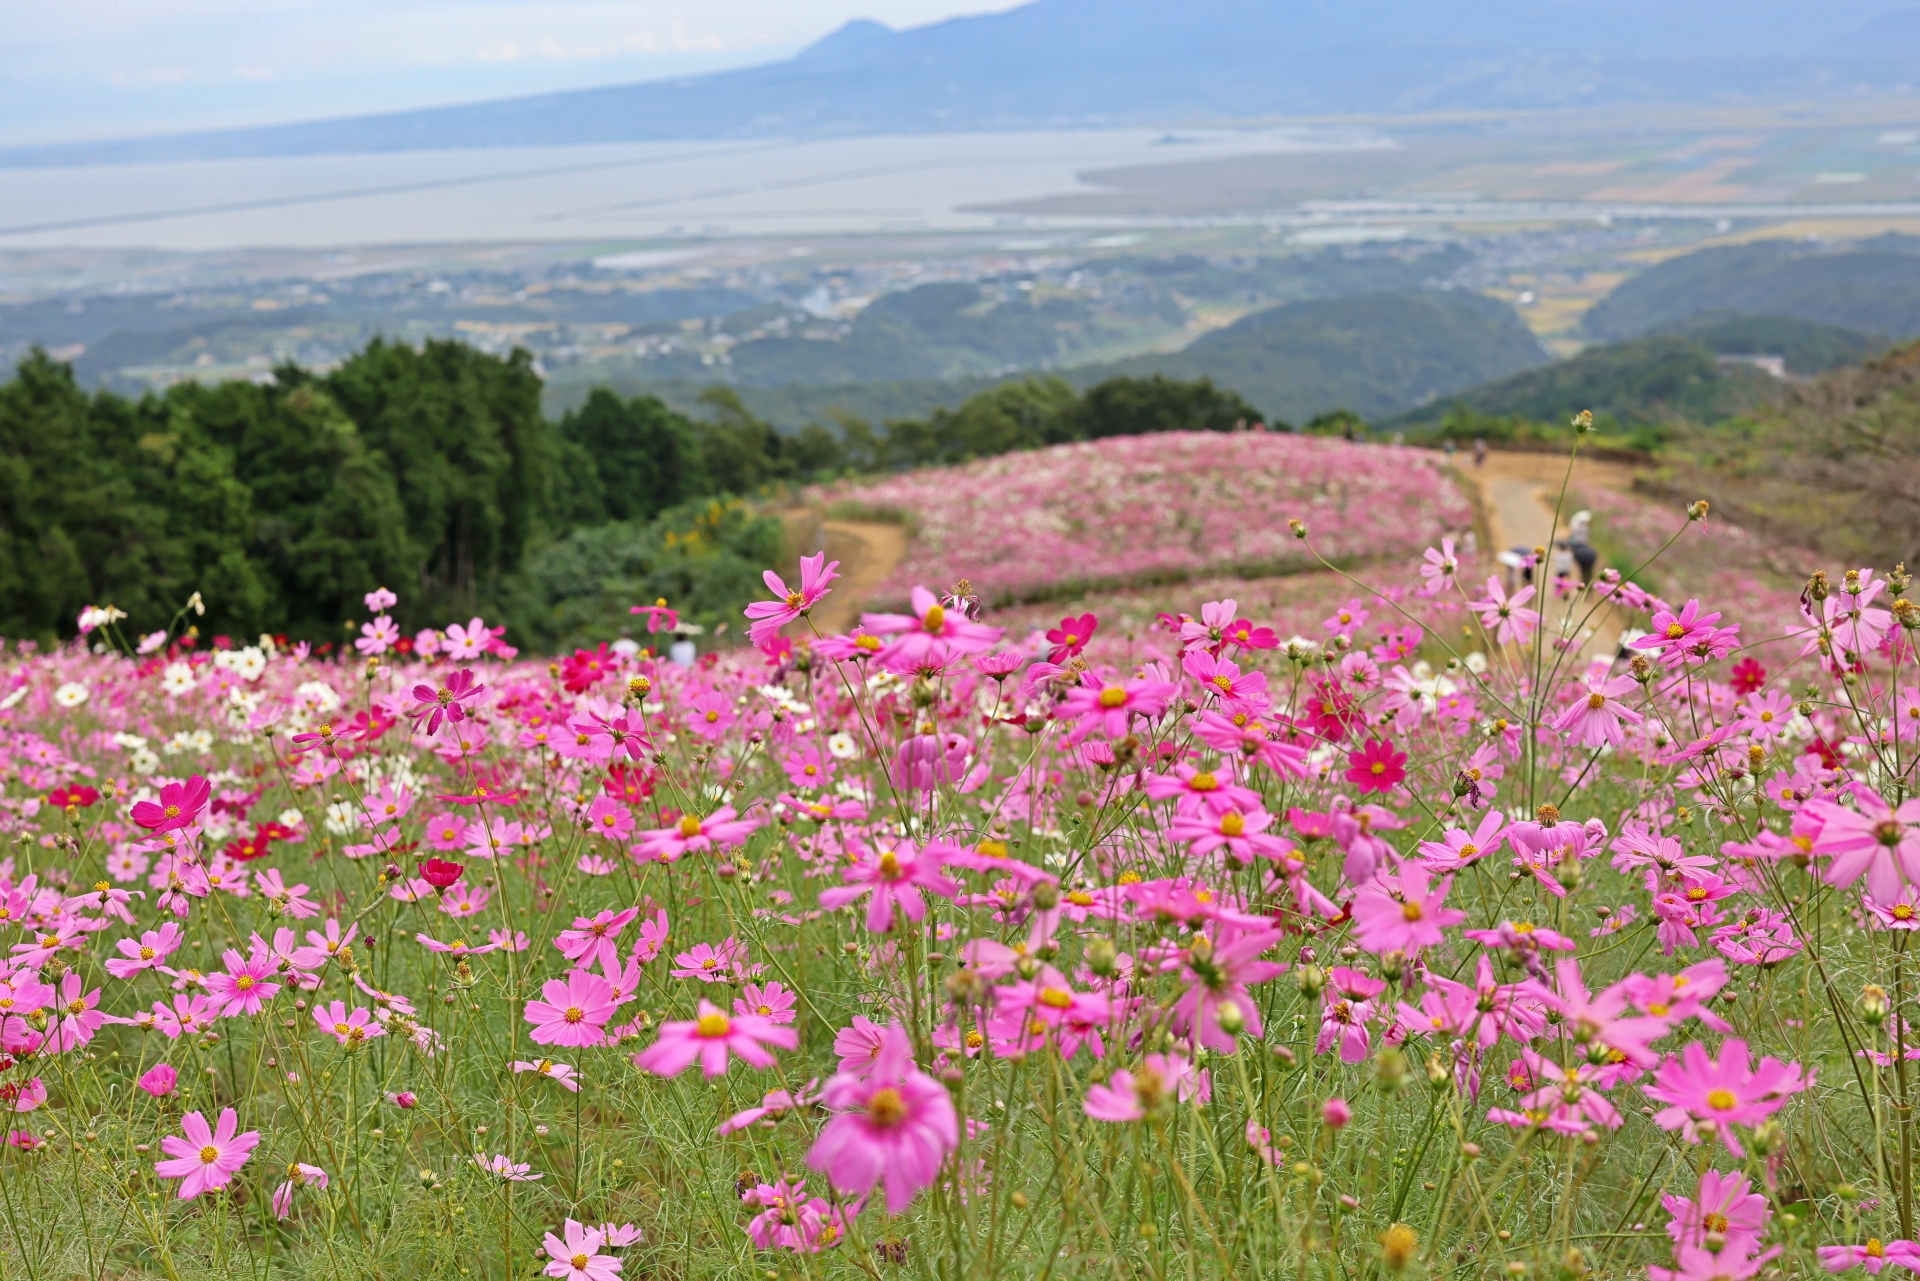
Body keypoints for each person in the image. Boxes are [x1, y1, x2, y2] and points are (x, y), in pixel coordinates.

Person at [1567, 510, 1598, 586]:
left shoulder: (1576, 527)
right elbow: (1586, 538)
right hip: (1584, 547)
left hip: (1578, 547)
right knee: (1588, 572)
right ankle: (1588, 586)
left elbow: (1572, 538)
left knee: (1582, 571)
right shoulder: (1586, 528)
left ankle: (1583, 584)